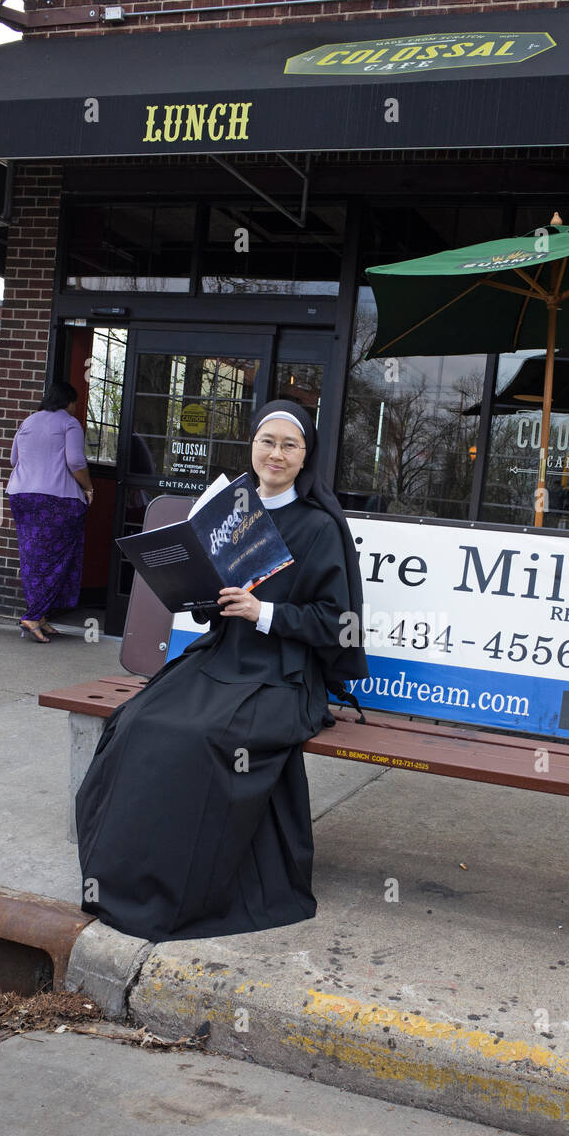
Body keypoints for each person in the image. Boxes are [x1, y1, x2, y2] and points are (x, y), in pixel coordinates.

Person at [75, 399, 369, 943]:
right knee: (137, 723)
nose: (276, 454)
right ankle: (125, 876)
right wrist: (198, 591)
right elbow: (210, 605)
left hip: (283, 673)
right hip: (222, 657)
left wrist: (265, 612)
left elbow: (339, 625)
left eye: (289, 445)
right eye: (267, 442)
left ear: (306, 457)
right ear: (251, 447)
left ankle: (190, 889)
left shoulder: (320, 528)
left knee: (202, 737)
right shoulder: (231, 512)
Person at [7, 381, 94, 643]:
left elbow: (14, 460)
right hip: (57, 500)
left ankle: (40, 615)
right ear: (68, 402)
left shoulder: (28, 422)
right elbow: (76, 462)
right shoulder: (69, 423)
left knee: (33, 557)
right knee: (58, 559)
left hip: (21, 495)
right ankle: (33, 616)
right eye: (75, 403)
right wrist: (89, 488)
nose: (75, 408)